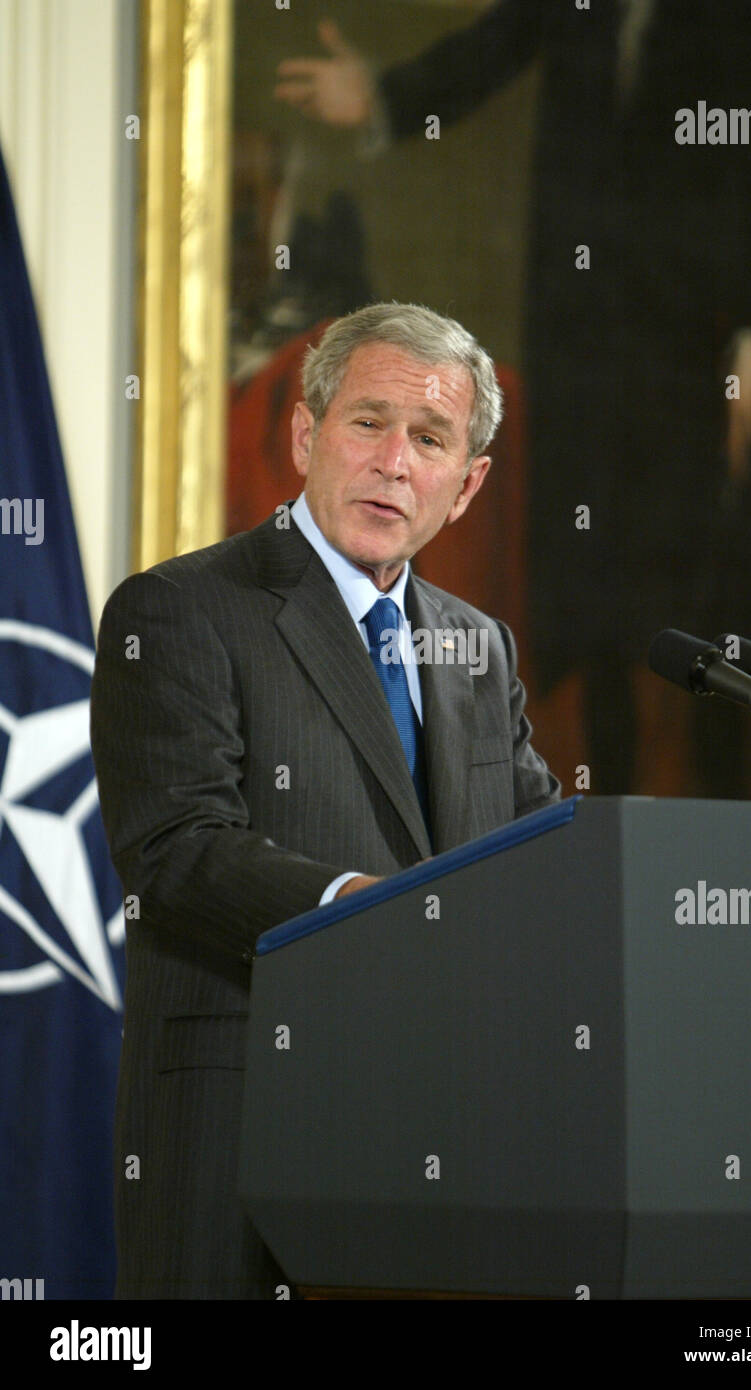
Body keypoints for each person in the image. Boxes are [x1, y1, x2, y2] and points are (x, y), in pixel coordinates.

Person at [90, 302, 560, 1299]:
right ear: (306, 435)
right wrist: (363, 910)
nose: (394, 460)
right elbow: (178, 847)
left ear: (465, 485)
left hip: (444, 1150)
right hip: (247, 1135)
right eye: (367, 421)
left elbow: (544, 861)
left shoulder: (478, 648)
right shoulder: (180, 610)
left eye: (428, 438)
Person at [275, 1, 751, 797]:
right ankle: (608, 810)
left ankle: (718, 814)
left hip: (691, 345)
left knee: (694, 578)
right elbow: (487, 52)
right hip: (580, 342)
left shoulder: (724, 18)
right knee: (592, 593)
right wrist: (382, 97)